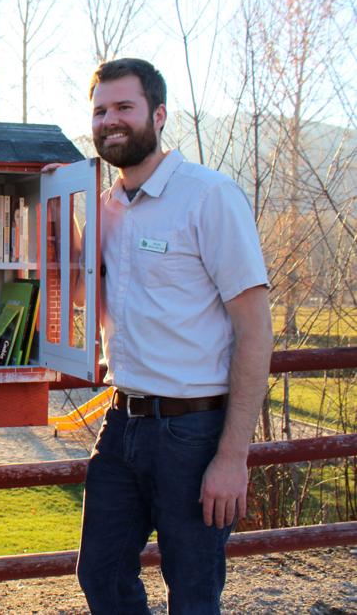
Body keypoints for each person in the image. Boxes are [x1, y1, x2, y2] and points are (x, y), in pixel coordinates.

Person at [58, 58, 273, 613]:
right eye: (100, 111)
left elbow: (255, 332)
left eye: (124, 108)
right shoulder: (105, 209)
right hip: (120, 421)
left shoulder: (208, 197)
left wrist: (232, 456)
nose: (110, 120)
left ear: (158, 114)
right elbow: (80, 298)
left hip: (194, 432)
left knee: (193, 592)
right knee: (100, 574)